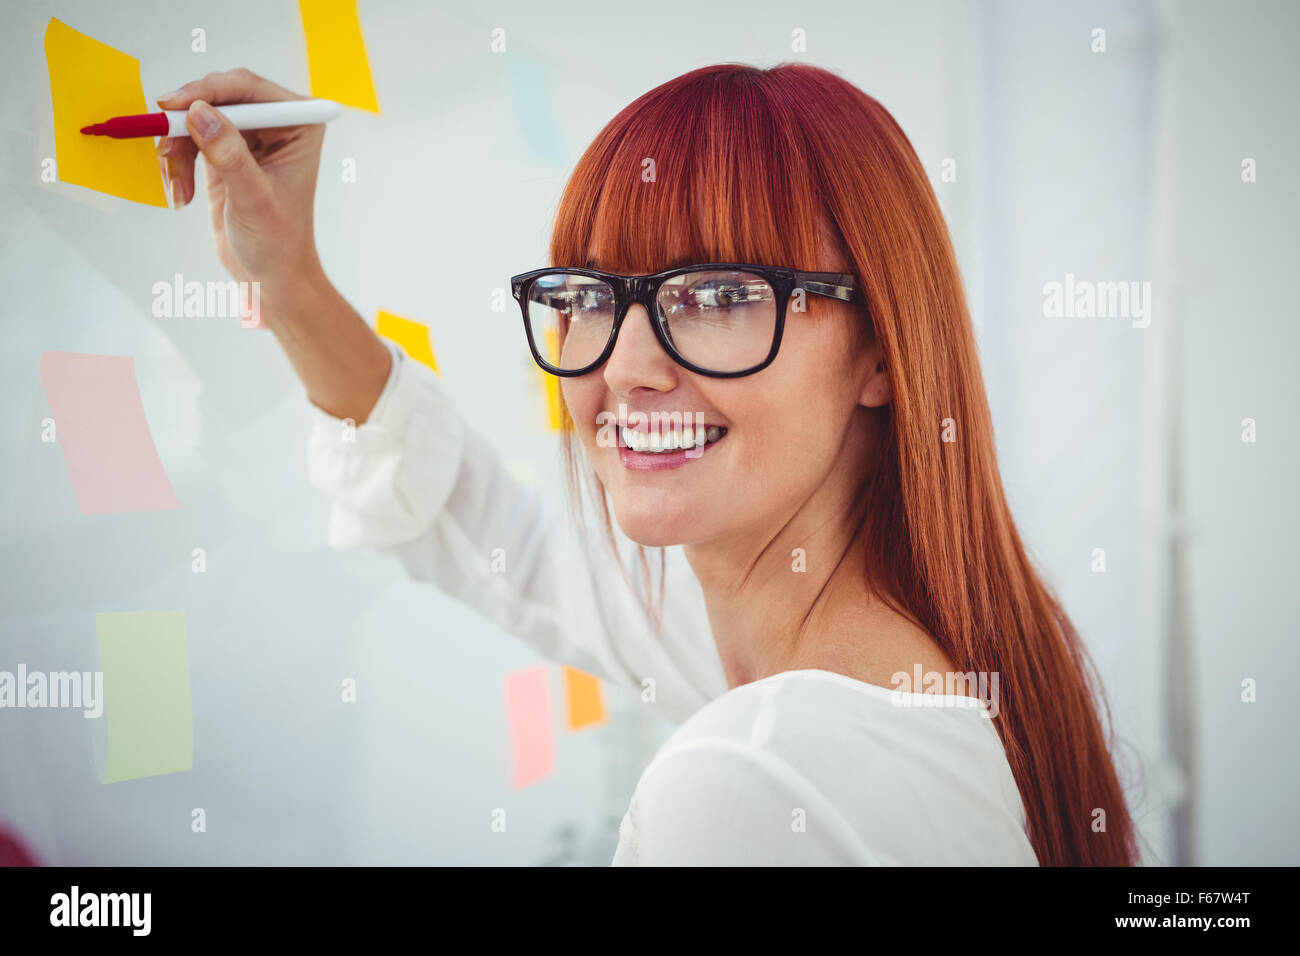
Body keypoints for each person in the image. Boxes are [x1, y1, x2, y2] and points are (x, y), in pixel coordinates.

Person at [156, 61, 1138, 866]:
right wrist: (288, 281)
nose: (625, 369)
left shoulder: (755, 777)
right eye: (590, 294)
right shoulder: (878, 649)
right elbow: (502, 542)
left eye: (716, 298)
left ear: (879, 351)